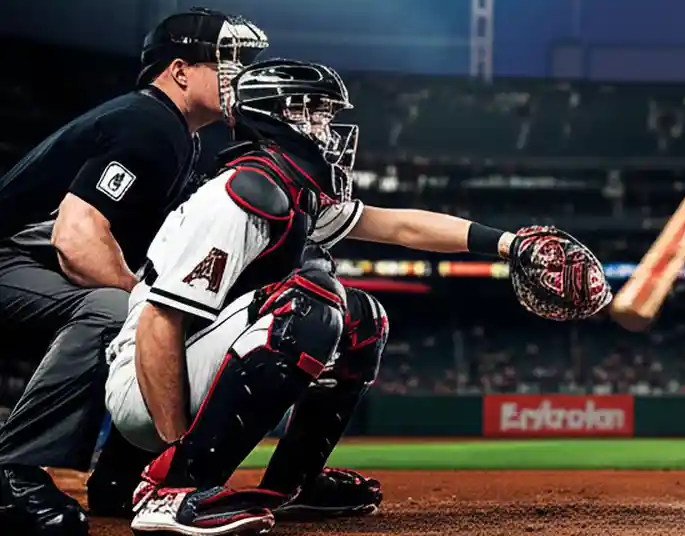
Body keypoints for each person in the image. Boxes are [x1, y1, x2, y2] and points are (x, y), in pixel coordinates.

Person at [103, 59, 609, 535]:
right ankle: (174, 488)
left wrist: (508, 244)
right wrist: (173, 450)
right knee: (313, 299)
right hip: (148, 382)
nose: (326, 128)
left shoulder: (291, 191)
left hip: (193, 363)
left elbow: (401, 226)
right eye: (313, 113)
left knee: (363, 316)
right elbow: (159, 321)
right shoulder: (240, 193)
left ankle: (292, 483)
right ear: (272, 118)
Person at [0, 7, 267, 536]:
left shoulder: (177, 133)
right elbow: (76, 238)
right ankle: (14, 472)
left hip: (30, 266)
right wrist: (140, 296)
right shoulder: (150, 122)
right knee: (120, 310)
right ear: (179, 71)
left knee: (166, 317)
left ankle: (120, 478)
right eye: (226, 62)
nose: (238, 75)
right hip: (12, 257)